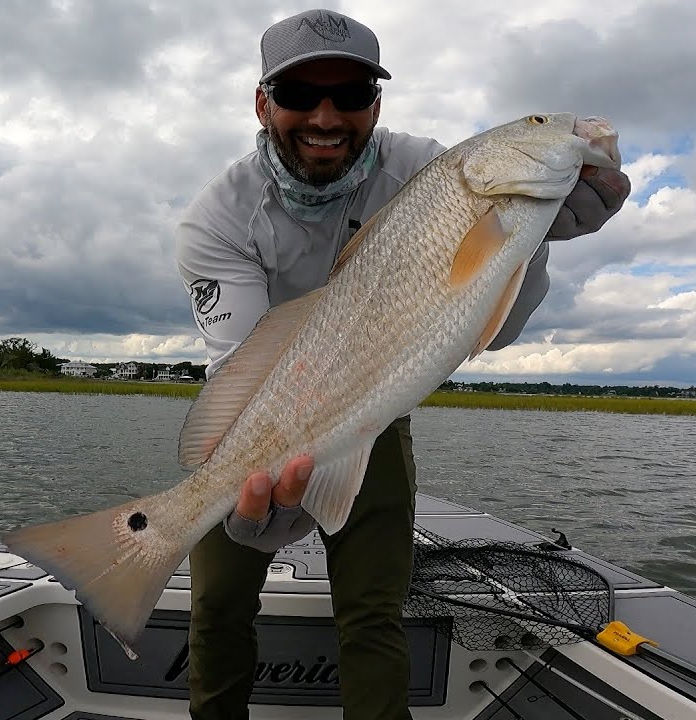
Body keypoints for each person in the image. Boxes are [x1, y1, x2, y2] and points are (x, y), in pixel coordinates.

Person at [174, 9, 630, 719]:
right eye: (299, 94)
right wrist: (251, 482)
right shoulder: (219, 216)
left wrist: (531, 237)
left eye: (351, 95)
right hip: (255, 420)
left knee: (373, 611)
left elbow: (495, 332)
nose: (326, 115)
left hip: (375, 407)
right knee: (218, 608)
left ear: (376, 105)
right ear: (262, 103)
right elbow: (242, 363)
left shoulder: (430, 168)